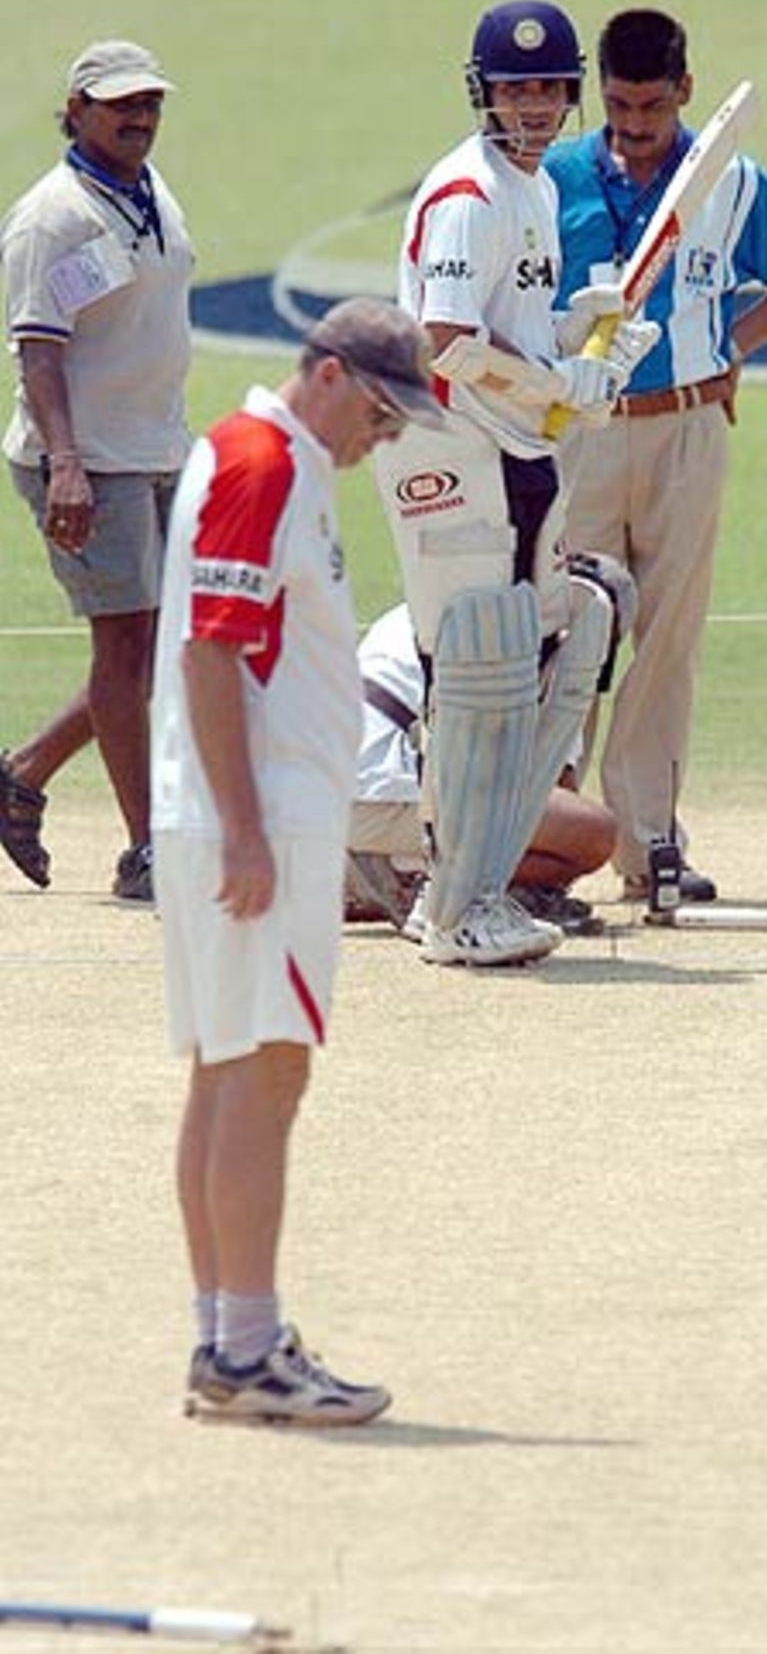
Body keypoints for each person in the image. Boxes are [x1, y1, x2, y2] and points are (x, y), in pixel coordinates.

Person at [151, 297, 445, 1425]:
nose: (391, 436)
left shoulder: (270, 458)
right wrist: (244, 828)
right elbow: (214, 653)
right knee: (260, 1071)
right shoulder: (262, 463)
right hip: (260, 812)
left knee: (237, 1068)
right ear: (326, 375)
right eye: (382, 409)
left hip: (263, 807)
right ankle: (247, 1345)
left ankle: (228, 1338)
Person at [372, 0, 660, 968]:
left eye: (547, 88)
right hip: (448, 452)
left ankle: (472, 888)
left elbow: (505, 337)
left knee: (554, 641)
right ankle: (452, 910)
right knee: (476, 668)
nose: (532, 106)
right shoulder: (471, 193)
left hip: (513, 451)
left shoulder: (531, 190)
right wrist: (552, 384)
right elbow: (442, 342)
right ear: (482, 91)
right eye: (513, 88)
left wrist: (584, 347)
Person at [544, 8, 767, 903]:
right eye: (620, 106)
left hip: (687, 426)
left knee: (668, 637)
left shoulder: (733, 183)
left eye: (652, 108)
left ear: (686, 91)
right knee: (565, 633)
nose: (634, 128)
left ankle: (651, 839)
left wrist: (729, 347)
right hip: (577, 430)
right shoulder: (552, 179)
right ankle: (544, 837)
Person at [1, 39, 194, 901]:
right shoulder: (55, 216)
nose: (140, 117)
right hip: (91, 462)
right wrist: (67, 465)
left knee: (150, 650)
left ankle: (23, 772)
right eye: (121, 104)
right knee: (124, 649)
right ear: (76, 110)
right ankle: (145, 848)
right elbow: (39, 349)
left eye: (150, 102)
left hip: (153, 449)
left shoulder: (145, 191)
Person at [345, 558, 629, 937]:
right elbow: (553, 793)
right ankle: (410, 873)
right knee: (594, 833)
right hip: (391, 781)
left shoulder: (443, 600)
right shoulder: (553, 642)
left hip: (331, 779)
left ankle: (382, 859)